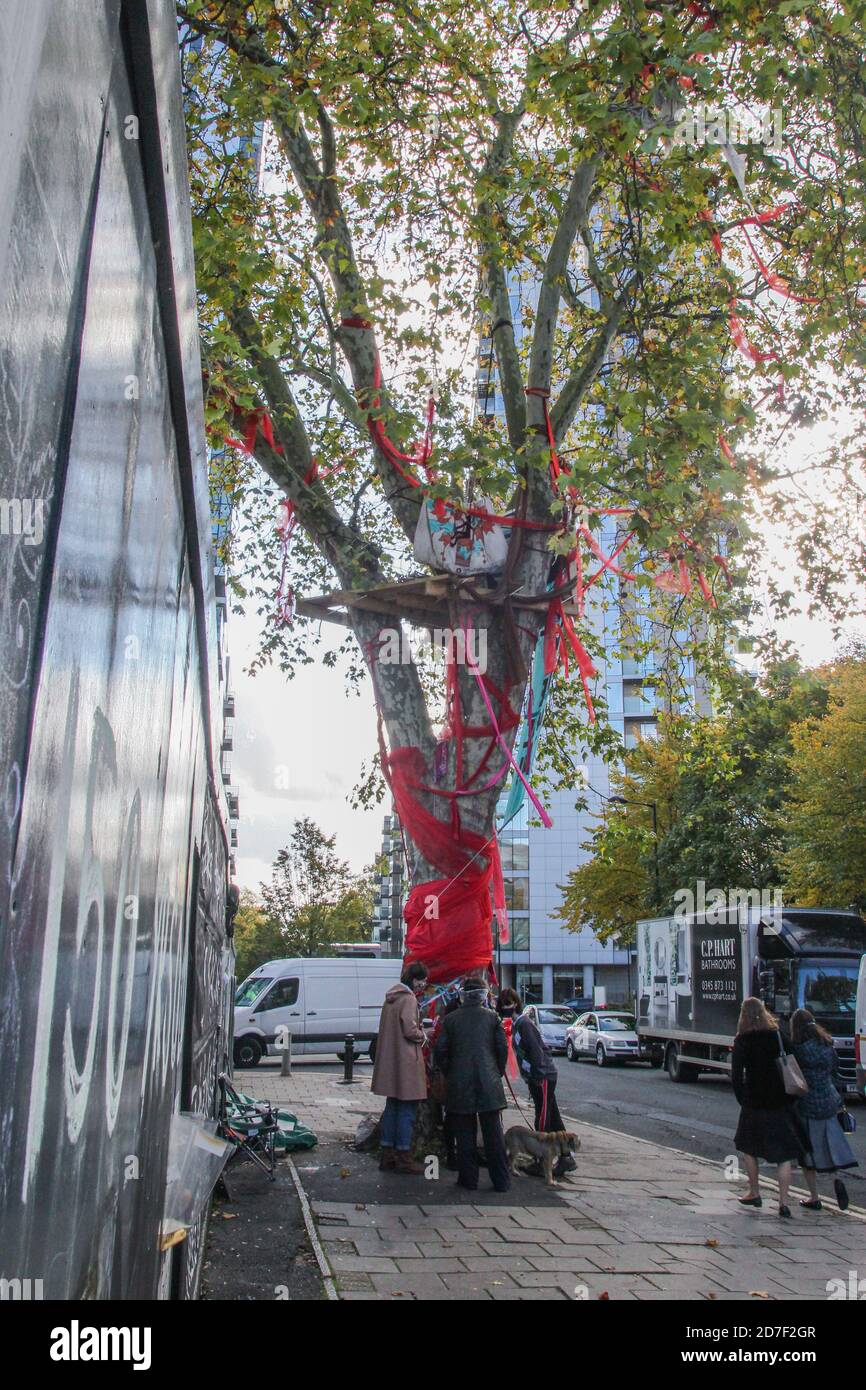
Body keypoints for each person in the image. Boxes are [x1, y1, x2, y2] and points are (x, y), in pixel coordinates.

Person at [433, 975, 511, 1193]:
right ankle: (501, 1181)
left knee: (464, 1134)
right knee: (494, 1135)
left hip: (460, 1083)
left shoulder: (451, 1020)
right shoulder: (492, 1018)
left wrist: (451, 1071)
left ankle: (469, 1179)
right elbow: (502, 1049)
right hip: (489, 1081)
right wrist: (497, 1071)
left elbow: (441, 1051)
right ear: (483, 996)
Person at [731, 996, 802, 1218]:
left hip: (754, 1101)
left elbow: (736, 1075)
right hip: (780, 1101)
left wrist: (742, 1097)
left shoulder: (743, 1040)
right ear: (764, 1012)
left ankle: (754, 1192)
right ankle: (783, 1202)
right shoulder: (778, 1035)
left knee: (748, 1147)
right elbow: (793, 1061)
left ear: (743, 1015)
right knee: (784, 1155)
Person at [497, 987, 577, 1179]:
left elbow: (535, 1051)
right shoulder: (518, 1024)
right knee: (553, 1117)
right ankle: (566, 1157)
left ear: (516, 1003)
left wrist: (537, 1075)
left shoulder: (524, 1024)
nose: (506, 1007)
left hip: (543, 1076)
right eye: (503, 1004)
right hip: (539, 1075)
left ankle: (541, 1159)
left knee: (542, 1117)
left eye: (508, 1003)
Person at [790, 1007, 858, 1211]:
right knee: (831, 1146)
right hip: (829, 1101)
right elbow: (835, 1070)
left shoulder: (798, 1049)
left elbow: (794, 1075)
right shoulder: (827, 1044)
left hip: (807, 1103)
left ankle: (814, 1197)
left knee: (808, 1153)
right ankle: (837, 1179)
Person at [371, 961, 429, 1175]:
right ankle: (404, 1156)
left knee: (393, 1107)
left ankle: (387, 1154)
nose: (424, 985)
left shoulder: (391, 999)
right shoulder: (409, 999)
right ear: (414, 980)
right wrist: (425, 1034)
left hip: (391, 1061)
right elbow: (410, 1030)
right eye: (422, 980)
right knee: (407, 1109)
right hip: (406, 1062)